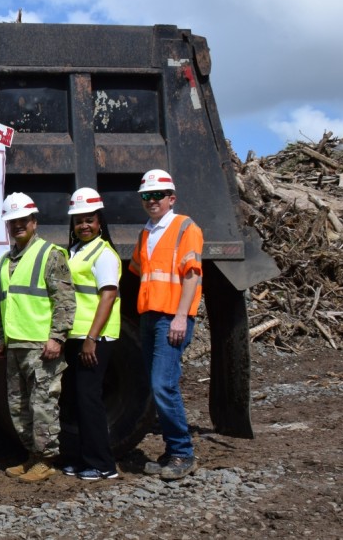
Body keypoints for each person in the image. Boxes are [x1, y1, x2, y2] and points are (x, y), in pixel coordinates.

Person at [0, 192, 75, 483]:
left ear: (34, 222)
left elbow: (64, 300)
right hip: (15, 344)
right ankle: (32, 456)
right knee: (18, 406)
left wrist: (57, 338)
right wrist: (0, 336)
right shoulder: (6, 260)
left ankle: (46, 459)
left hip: (41, 347)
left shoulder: (50, 255)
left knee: (43, 405)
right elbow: (2, 301)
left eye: (23, 220)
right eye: (12, 222)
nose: (18, 226)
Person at [129, 169, 203, 481]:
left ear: (171, 198)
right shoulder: (146, 232)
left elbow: (193, 274)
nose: (152, 201)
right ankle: (172, 452)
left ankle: (183, 453)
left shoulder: (185, 227)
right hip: (150, 317)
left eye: (158, 195)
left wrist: (181, 317)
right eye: (146, 196)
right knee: (156, 384)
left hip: (171, 319)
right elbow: (137, 270)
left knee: (164, 385)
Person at [58, 188, 121, 481]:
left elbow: (107, 297)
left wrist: (91, 339)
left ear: (100, 222)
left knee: (89, 399)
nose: (84, 225)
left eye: (89, 220)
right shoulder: (74, 252)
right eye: (79, 220)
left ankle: (102, 464)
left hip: (96, 338)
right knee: (75, 398)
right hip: (76, 335)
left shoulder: (103, 253)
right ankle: (82, 458)